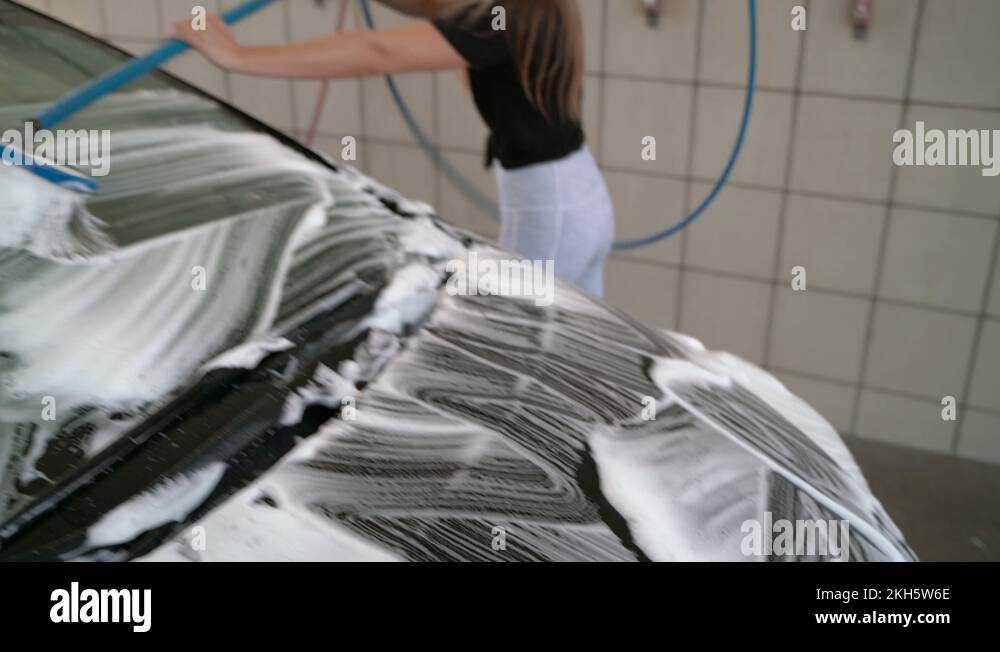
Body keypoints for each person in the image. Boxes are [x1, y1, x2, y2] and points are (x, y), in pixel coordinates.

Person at [171, 0, 615, 296]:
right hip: (576, 199)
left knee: (518, 351)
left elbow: (377, 51)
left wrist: (238, 56)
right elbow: (433, 4)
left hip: (551, 214)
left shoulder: (506, 14)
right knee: (577, 342)